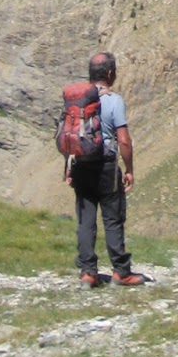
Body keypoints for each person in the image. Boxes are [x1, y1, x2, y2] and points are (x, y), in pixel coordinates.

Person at [69, 51, 144, 287]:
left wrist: (70, 167)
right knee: (112, 219)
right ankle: (121, 272)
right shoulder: (114, 100)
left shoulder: (78, 100)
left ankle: (87, 272)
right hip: (106, 168)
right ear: (110, 74)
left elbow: (71, 134)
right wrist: (129, 168)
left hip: (81, 165)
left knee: (85, 220)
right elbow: (123, 140)